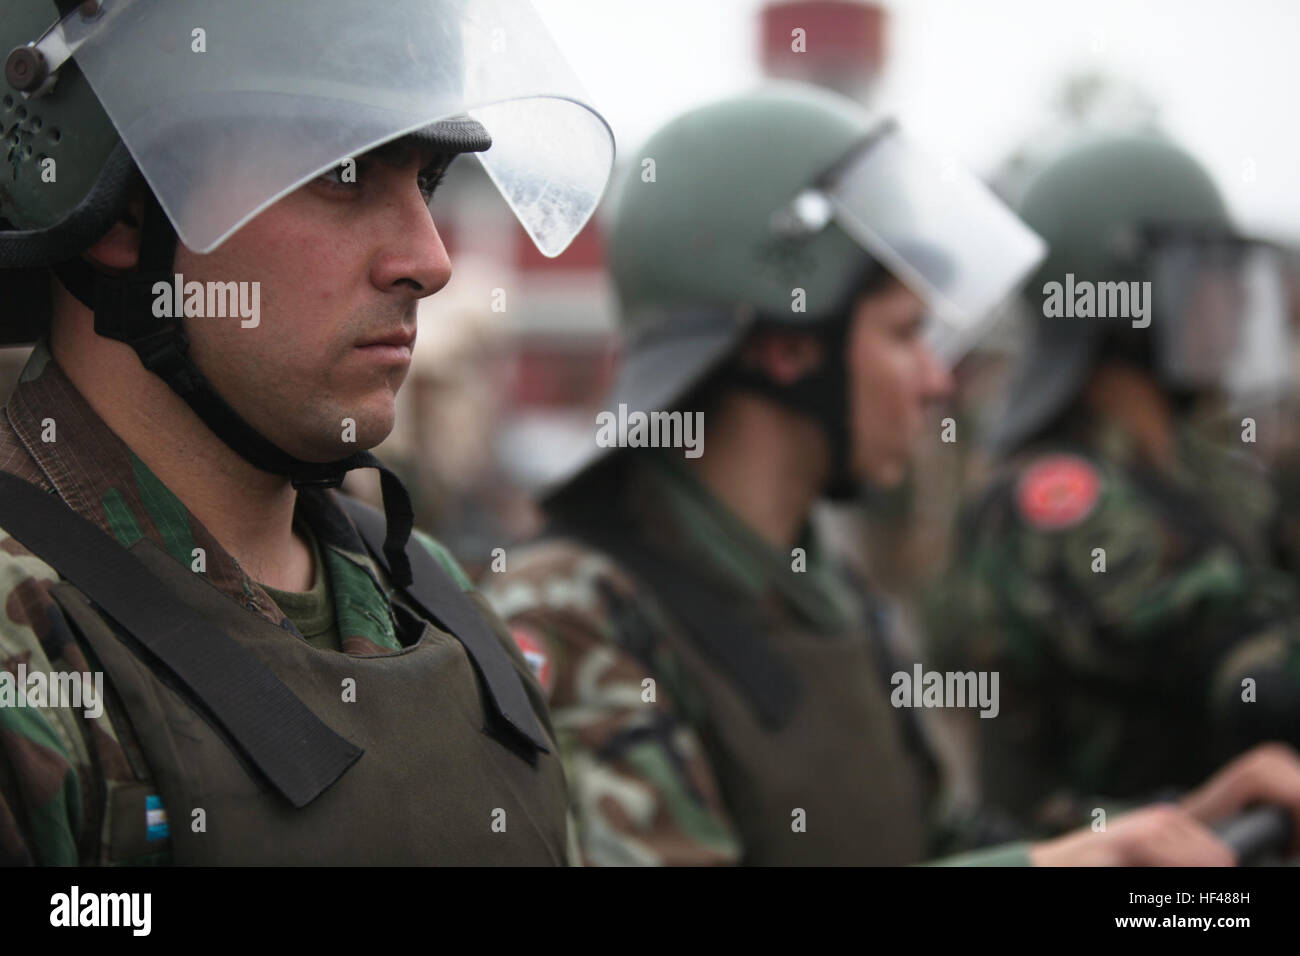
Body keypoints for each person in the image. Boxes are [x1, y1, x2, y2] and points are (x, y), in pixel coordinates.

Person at [481, 85, 1300, 866]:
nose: (937, 380)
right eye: (906, 334)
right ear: (788, 349)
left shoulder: (826, 591)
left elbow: (932, 841)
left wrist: (1170, 831)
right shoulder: (568, 614)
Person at [0, 0, 613, 865]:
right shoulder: (27, 658)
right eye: (345, 170)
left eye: (427, 183)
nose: (430, 260)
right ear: (127, 212)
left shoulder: (434, 602)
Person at [927, 132, 1300, 832]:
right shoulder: (1058, 501)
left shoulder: (1197, 478)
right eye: (1203, 275)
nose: (1231, 304)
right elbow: (1257, 676)